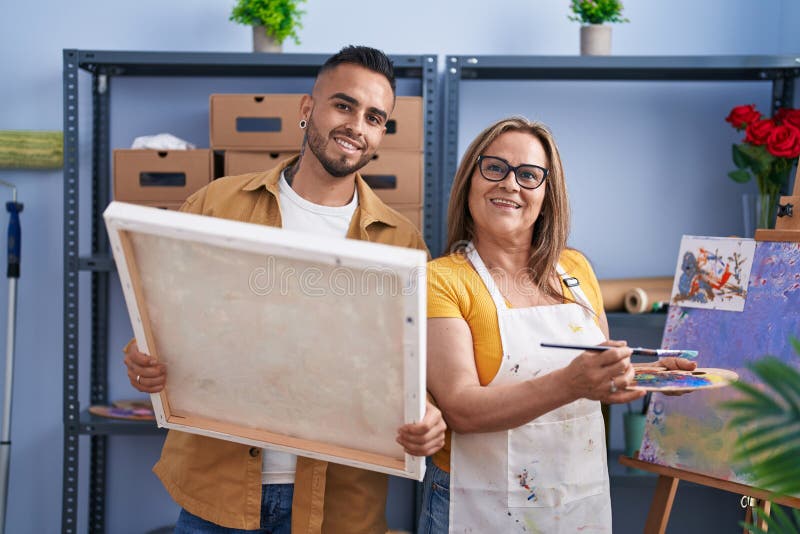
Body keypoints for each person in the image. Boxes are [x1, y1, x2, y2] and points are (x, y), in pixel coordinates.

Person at [123, 45, 446, 534]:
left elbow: (411, 377)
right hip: (218, 496)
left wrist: (429, 417)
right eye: (344, 105)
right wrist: (142, 358)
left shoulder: (401, 244)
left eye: (374, 117)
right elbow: (162, 325)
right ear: (306, 109)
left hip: (339, 506)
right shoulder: (216, 204)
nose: (357, 126)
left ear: (381, 132)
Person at [418, 116, 696, 533]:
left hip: (576, 498)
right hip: (478, 502)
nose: (510, 184)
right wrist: (572, 383)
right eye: (494, 167)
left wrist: (649, 373)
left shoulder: (576, 268)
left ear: (547, 195)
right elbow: (460, 410)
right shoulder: (441, 279)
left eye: (529, 175)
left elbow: (596, 372)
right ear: (470, 180)